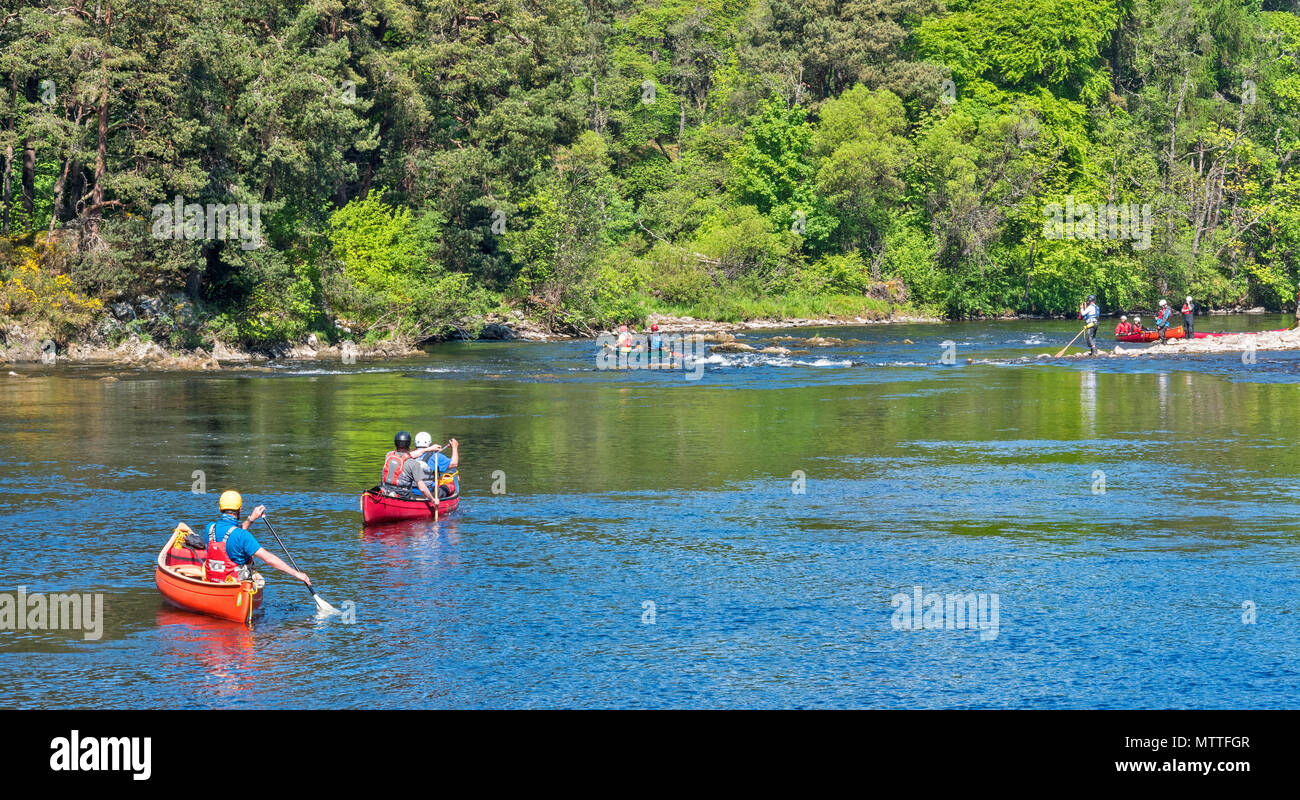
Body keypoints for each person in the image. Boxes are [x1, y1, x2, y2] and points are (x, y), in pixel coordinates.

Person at [202, 491, 309, 586]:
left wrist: (251, 518)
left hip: (213, 582)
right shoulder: (242, 535)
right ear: (240, 509)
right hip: (236, 587)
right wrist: (296, 574)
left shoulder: (210, 528)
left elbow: (231, 532)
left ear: (220, 508)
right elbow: (269, 559)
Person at [380, 430, 437, 497]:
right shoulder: (413, 464)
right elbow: (422, 489)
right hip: (403, 496)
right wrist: (433, 500)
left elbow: (408, 455)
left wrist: (428, 449)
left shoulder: (388, 455)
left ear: (396, 443)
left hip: (385, 491)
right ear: (408, 444)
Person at [414, 431, 460, 499]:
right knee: (450, 486)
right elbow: (454, 463)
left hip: (411, 492)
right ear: (430, 443)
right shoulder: (435, 456)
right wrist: (454, 447)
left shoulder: (409, 455)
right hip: (431, 493)